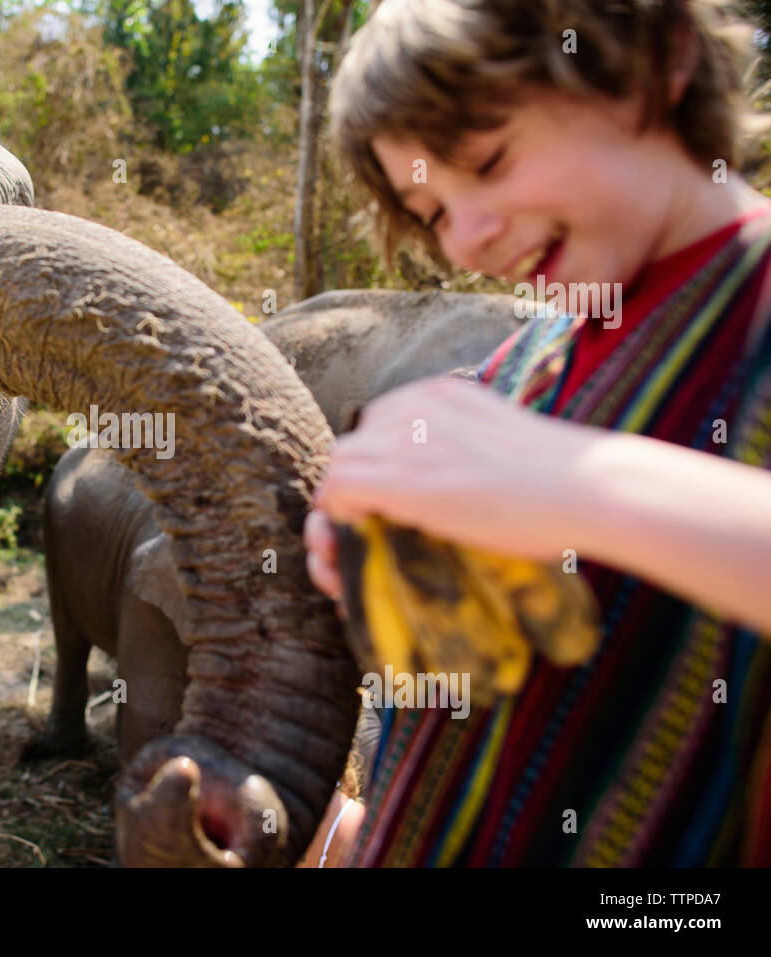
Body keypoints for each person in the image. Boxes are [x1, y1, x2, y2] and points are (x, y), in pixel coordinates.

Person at [300, 0, 771, 867]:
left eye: (490, 160)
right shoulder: (520, 371)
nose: (469, 238)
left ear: (655, 59)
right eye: (432, 211)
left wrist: (576, 484)